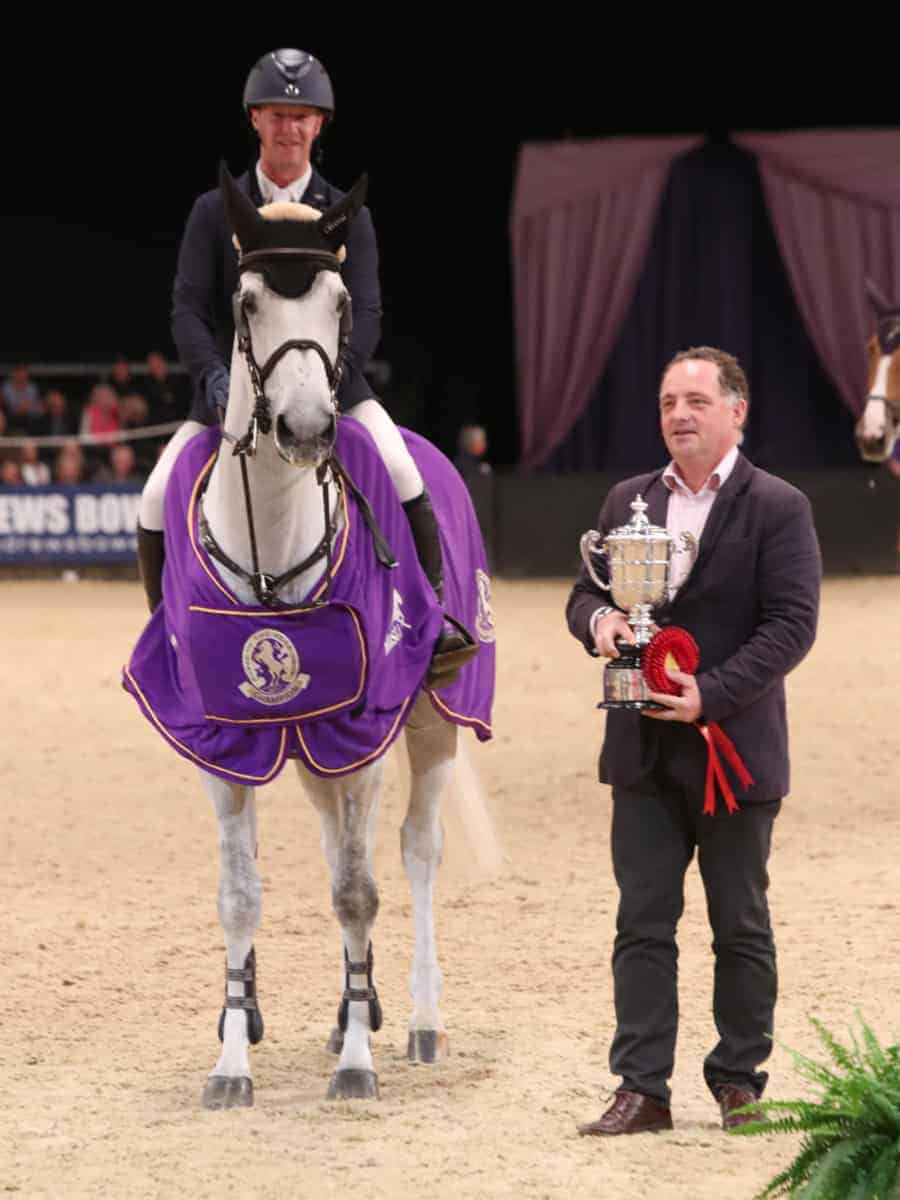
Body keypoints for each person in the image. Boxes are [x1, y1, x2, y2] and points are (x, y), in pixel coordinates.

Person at [138, 47, 473, 683]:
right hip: (231, 396)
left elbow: (367, 309)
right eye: (276, 114)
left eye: (302, 115)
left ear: (319, 127)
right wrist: (214, 377)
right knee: (155, 498)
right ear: (254, 120)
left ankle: (436, 622)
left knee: (402, 468)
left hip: (331, 387)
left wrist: (329, 373)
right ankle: (167, 641)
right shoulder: (216, 211)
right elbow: (188, 308)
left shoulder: (347, 211)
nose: (289, 127)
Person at [566, 346, 821, 1137]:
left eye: (697, 401)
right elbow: (586, 593)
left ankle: (740, 1080)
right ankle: (643, 1088)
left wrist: (709, 693)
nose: (680, 414)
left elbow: (792, 626)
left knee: (739, 923)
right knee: (642, 921)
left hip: (731, 750)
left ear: (736, 412)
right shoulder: (625, 501)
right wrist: (601, 622)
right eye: (670, 400)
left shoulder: (779, 506)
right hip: (640, 753)